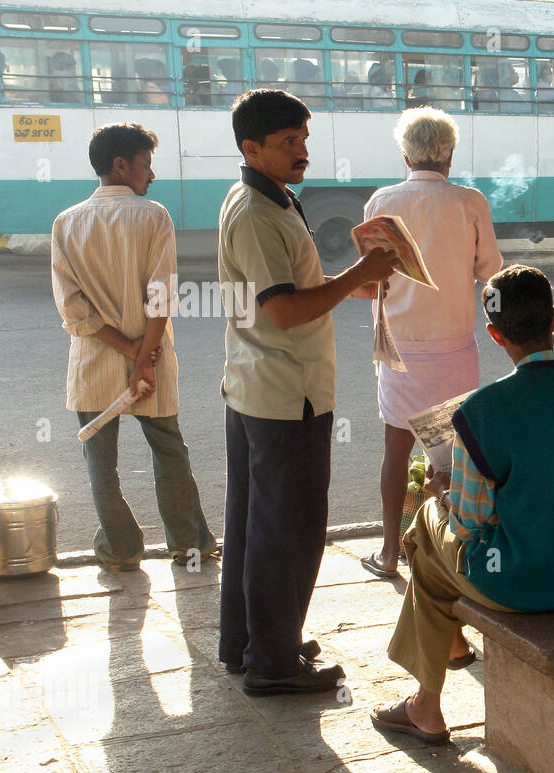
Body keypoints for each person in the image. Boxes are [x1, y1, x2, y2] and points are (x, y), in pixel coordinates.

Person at [371, 265, 554, 745]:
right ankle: (445, 655)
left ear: (494, 335)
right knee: (440, 549)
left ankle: (428, 701)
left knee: (426, 532)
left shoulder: (481, 410)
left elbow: (470, 522)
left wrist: (444, 492)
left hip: (516, 584)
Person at [217, 89, 396, 694]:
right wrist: (356, 276)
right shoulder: (257, 214)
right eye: (289, 143)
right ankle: (273, 662)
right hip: (283, 395)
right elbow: (287, 311)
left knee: (255, 523)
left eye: (304, 140)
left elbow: (301, 289)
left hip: (261, 390)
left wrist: (357, 284)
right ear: (252, 148)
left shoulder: (271, 199)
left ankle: (258, 641)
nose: (303, 153)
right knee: (285, 529)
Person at [51, 122, 218, 573]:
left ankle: (121, 550)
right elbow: (161, 295)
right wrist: (142, 358)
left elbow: (73, 310)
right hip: (152, 361)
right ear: (120, 165)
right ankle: (189, 547)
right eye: (146, 164)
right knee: (169, 451)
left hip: (92, 364)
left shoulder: (65, 223)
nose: (151, 174)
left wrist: (125, 348)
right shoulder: (152, 215)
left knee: (100, 463)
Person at [360, 107, 503, 578]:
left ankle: (388, 550)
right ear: (451, 154)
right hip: (453, 348)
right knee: (456, 452)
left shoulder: (381, 200)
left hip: (398, 348)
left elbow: (371, 275)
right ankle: (459, 543)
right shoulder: (469, 202)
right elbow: (490, 272)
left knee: (396, 451)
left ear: (405, 154)